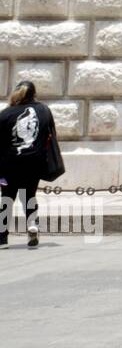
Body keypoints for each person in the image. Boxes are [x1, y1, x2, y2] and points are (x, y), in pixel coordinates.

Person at [0, 81, 65, 248]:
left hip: (9, 164)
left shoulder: (6, 114)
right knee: (29, 195)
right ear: (34, 94)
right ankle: (32, 224)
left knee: (7, 197)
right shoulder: (44, 110)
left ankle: (2, 238)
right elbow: (51, 134)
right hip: (35, 162)